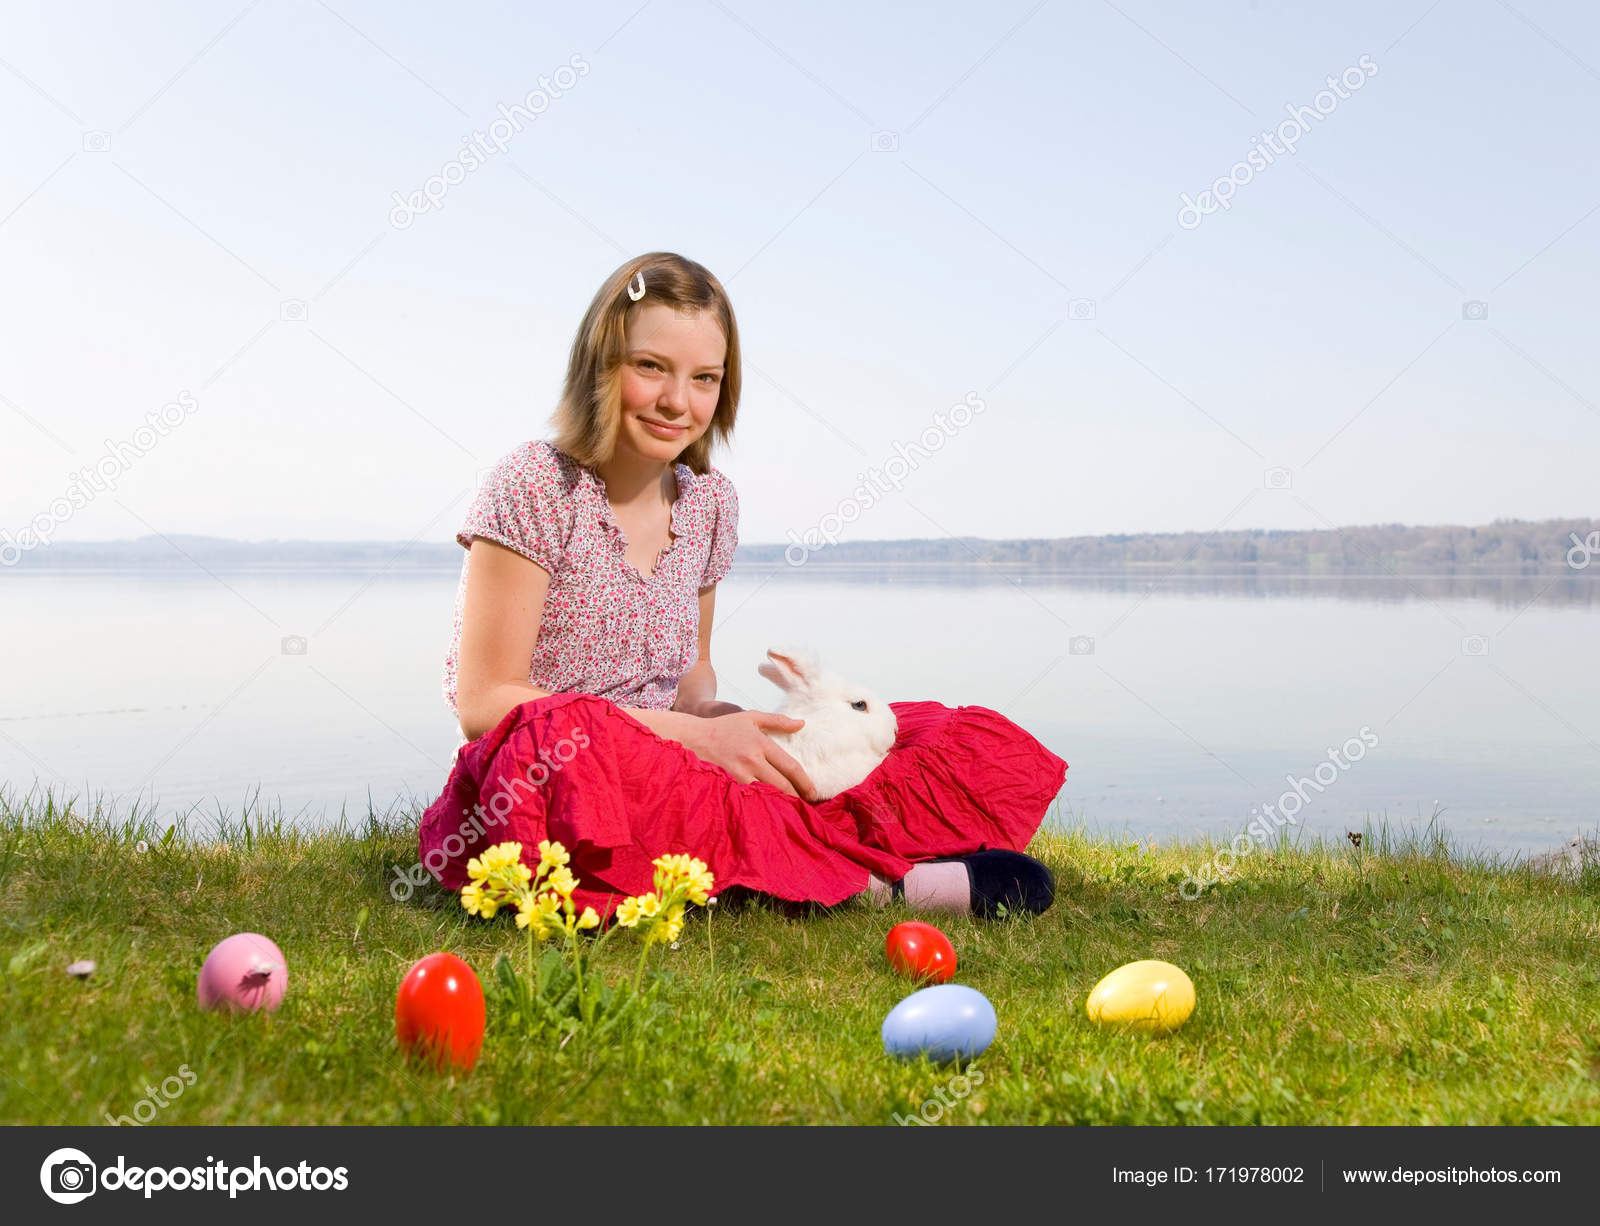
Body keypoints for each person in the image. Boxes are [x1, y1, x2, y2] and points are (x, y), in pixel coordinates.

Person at [419, 252, 1065, 921]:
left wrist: (723, 723)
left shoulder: (709, 504)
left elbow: (693, 672)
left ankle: (805, 855)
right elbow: (487, 701)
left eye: (704, 378)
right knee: (557, 743)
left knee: (929, 733)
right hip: (562, 772)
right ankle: (880, 884)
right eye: (650, 367)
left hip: (672, 756)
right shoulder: (536, 484)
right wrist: (687, 737)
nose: (679, 401)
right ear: (601, 366)